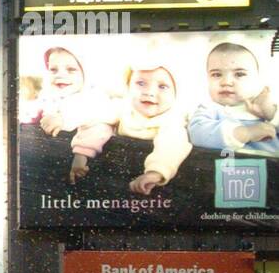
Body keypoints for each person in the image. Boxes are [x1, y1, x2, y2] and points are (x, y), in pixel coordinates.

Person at [70, 62, 191, 193]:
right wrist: (81, 154)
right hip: (114, 173)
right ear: (128, 88)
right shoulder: (123, 109)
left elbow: (172, 145)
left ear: (175, 95)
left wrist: (155, 172)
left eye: (162, 86)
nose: (149, 92)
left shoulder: (172, 120)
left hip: (152, 187)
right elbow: (97, 122)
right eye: (141, 83)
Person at [188, 42, 279, 154]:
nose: (226, 82)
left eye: (239, 74)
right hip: (228, 168)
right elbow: (197, 134)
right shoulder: (210, 108)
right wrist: (246, 133)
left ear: (258, 80)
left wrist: (272, 115)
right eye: (216, 74)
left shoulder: (265, 108)